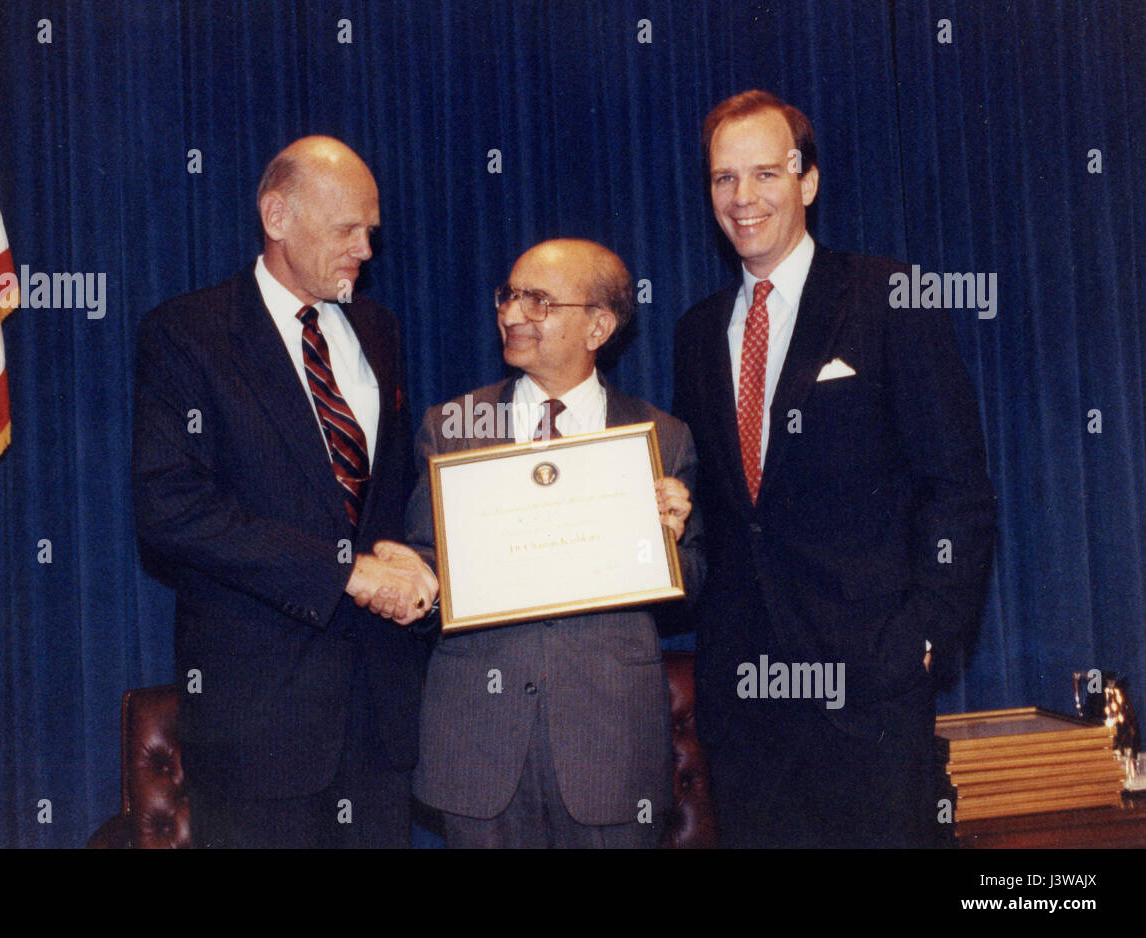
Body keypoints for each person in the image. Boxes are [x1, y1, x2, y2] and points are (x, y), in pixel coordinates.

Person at [673, 91, 997, 847]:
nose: (743, 198)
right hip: (746, 701)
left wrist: (923, 638)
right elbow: (729, 508)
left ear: (808, 181)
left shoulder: (889, 296)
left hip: (871, 690)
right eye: (724, 179)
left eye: (765, 174)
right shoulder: (694, 332)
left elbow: (958, 489)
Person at [132, 136, 437, 848]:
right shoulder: (188, 335)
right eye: (346, 230)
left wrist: (420, 564)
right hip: (259, 728)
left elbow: (387, 500)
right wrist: (347, 573)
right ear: (276, 216)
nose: (366, 248)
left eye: (372, 230)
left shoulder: (377, 329)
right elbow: (173, 510)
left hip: (380, 716)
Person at [403, 239, 705, 848]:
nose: (513, 314)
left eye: (538, 301)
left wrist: (665, 544)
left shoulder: (660, 439)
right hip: (480, 749)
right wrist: (413, 583)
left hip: (609, 749)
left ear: (598, 325)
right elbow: (426, 572)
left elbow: (692, 586)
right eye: (509, 296)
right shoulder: (453, 425)